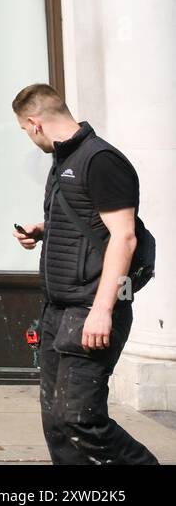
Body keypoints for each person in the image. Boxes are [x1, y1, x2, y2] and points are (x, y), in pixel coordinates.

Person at [11, 83, 158, 465]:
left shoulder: (101, 160)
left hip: (90, 309)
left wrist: (103, 310)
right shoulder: (65, 159)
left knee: (80, 419)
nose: (30, 138)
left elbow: (124, 237)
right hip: (57, 309)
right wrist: (44, 230)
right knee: (58, 425)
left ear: (35, 123)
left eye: (25, 131)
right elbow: (92, 222)